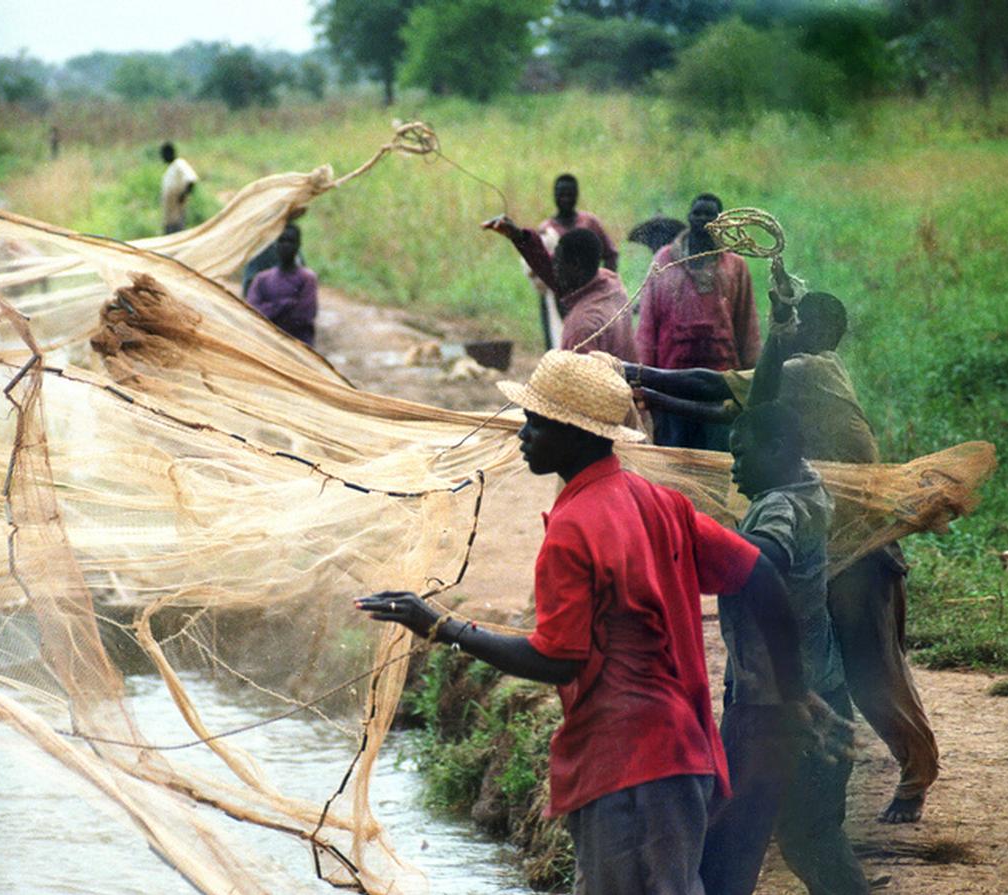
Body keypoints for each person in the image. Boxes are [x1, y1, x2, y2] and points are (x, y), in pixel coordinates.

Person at [355, 350, 835, 895]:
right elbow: (762, 576)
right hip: (683, 758)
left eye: (536, 423)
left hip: (625, 770)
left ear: (576, 434)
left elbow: (559, 659)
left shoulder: (573, 529)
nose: (523, 435)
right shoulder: (658, 502)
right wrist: (793, 690)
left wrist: (441, 626)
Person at [621, 261, 939, 824]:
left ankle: (913, 776)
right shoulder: (805, 372)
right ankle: (802, 794)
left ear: (820, 333)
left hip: (856, 548)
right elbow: (732, 409)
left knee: (871, 672)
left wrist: (633, 372)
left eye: (800, 322)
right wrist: (651, 392)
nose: (792, 329)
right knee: (829, 665)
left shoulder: (809, 370)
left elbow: (719, 386)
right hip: (836, 535)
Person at [701, 401, 868, 895]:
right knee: (811, 835)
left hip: (774, 706)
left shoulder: (779, 506)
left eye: (741, 454)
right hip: (823, 690)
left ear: (777, 451)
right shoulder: (809, 486)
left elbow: (766, 556)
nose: (733, 467)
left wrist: (707, 543)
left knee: (729, 845)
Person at [635, 193, 760, 450]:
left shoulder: (736, 266)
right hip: (670, 383)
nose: (703, 219)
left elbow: (747, 327)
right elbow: (648, 326)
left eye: (710, 215)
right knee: (674, 459)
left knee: (716, 463)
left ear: (721, 221)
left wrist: (751, 385)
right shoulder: (664, 260)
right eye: (697, 214)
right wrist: (643, 376)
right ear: (688, 218)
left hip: (720, 387)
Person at [482, 217, 637, 364]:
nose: (553, 268)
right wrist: (519, 237)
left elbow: (579, 388)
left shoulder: (580, 328)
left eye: (558, 262)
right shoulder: (611, 284)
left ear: (575, 267)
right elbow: (551, 270)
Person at [522, 174, 621, 349]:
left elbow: (611, 254)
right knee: (557, 343)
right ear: (554, 196)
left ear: (577, 195)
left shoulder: (589, 223)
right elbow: (537, 263)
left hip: (590, 292)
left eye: (570, 194)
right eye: (561, 195)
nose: (566, 199)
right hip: (557, 296)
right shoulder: (547, 230)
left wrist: (606, 284)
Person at [245, 224, 318, 346]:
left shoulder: (307, 278)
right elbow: (252, 312)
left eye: (290, 241)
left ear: (298, 245)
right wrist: (285, 304)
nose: (286, 245)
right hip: (268, 344)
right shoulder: (262, 279)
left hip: (300, 347)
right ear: (275, 244)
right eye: (282, 241)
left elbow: (304, 315)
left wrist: (270, 310)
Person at [159, 141, 198, 235]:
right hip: (169, 215)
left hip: (177, 213)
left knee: (178, 235)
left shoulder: (179, 164)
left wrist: (183, 195)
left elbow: (191, 179)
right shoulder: (169, 170)